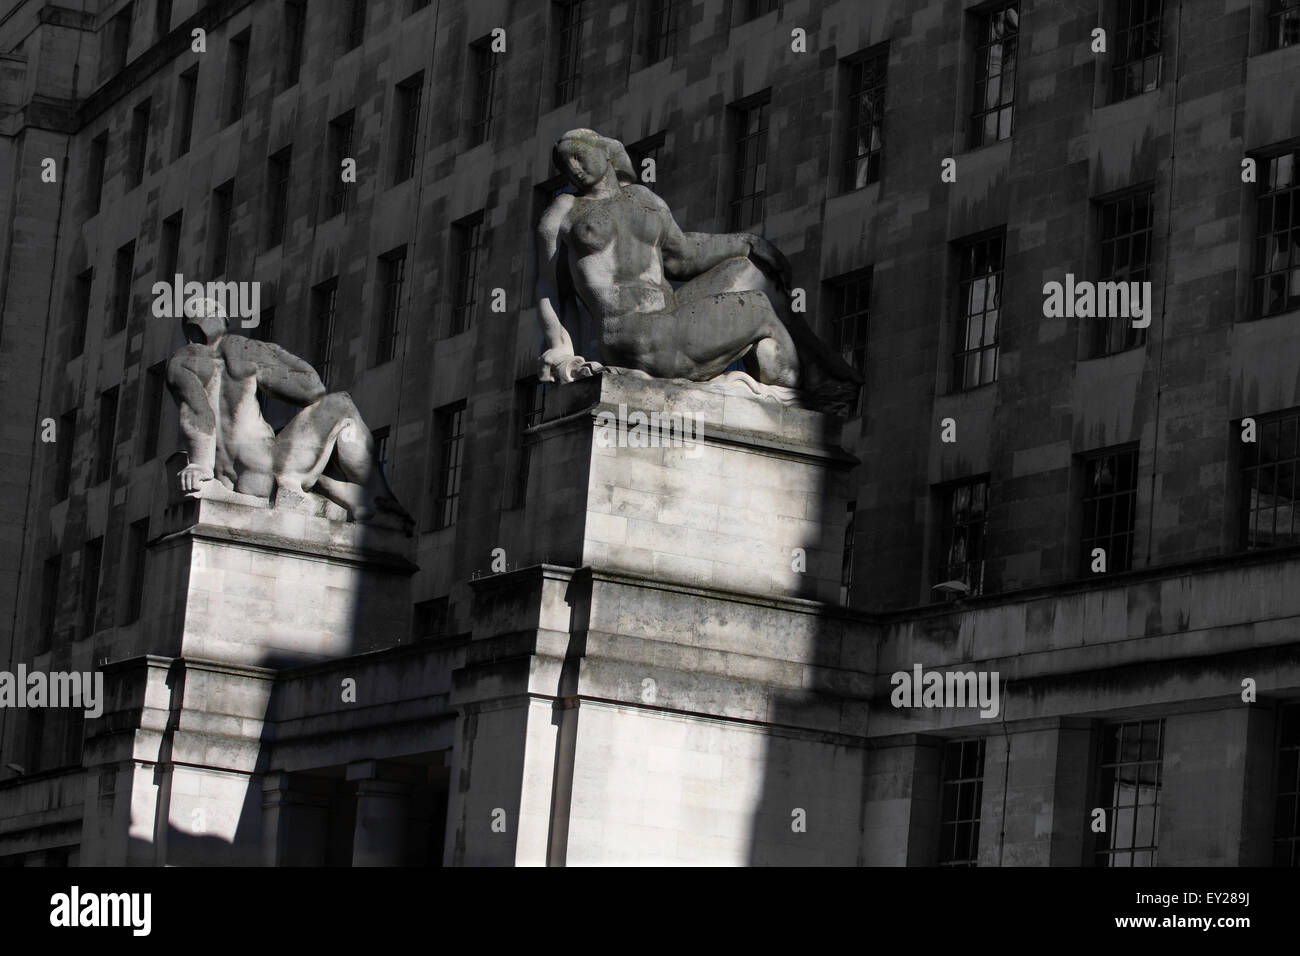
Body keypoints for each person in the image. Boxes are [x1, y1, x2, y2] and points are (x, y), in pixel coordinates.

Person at [535, 128, 862, 410]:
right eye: (565, 164)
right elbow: (549, 286)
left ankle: (820, 369)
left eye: (578, 156)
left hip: (669, 316)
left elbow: (684, 256)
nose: (573, 168)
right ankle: (810, 385)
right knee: (759, 308)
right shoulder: (565, 209)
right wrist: (559, 348)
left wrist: (749, 243)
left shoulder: (643, 198)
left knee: (749, 271)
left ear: (607, 153)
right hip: (634, 337)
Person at [165, 298, 410, 527]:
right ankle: (381, 496)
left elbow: (198, 413)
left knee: (310, 463)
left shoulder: (182, 362)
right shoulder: (242, 351)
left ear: (190, 331)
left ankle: (346, 495)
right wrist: (273, 353)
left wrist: (200, 465)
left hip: (237, 479)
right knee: (341, 404)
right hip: (269, 468)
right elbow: (312, 389)